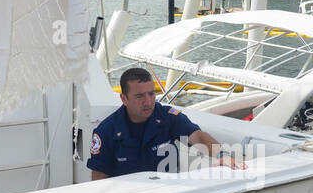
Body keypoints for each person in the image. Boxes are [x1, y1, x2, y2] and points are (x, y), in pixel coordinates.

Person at [88, 67, 244, 178]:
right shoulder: (107, 131)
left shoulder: (167, 117)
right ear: (124, 99)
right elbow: (99, 177)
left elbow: (198, 137)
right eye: (140, 96)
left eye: (151, 94)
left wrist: (222, 154)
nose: (148, 102)